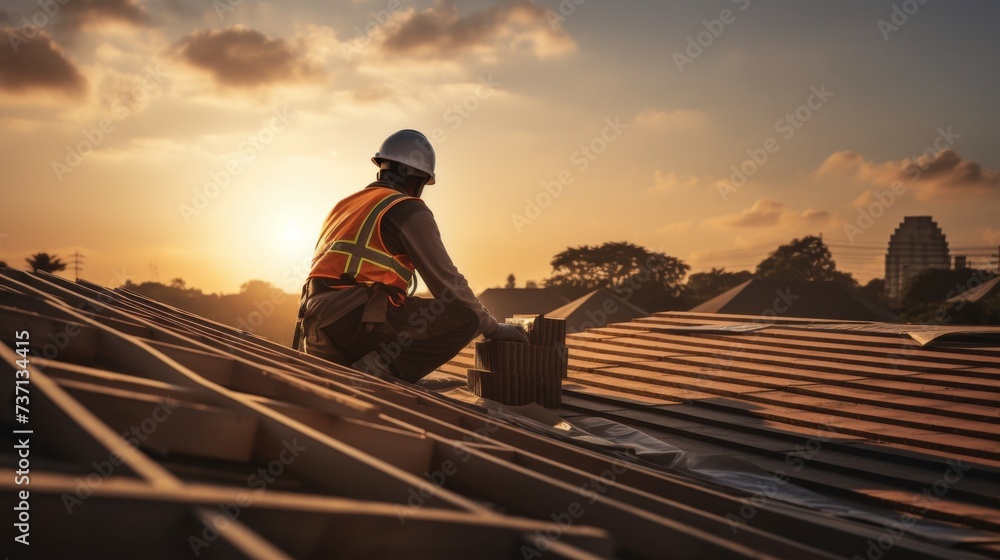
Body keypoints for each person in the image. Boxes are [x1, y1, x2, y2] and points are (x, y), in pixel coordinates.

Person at [295, 129, 528, 382]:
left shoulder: (345, 205)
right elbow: (449, 285)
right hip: (351, 326)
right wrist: (493, 328)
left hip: (316, 332)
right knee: (466, 318)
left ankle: (366, 365)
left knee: (409, 308)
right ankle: (374, 376)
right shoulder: (405, 207)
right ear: (418, 179)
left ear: (382, 168)